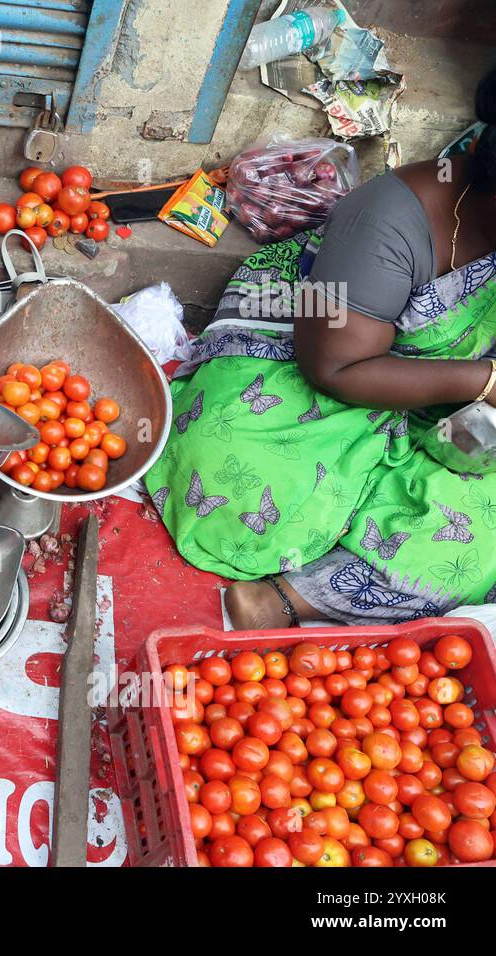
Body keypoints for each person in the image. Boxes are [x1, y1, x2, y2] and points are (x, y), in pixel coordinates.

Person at [144, 68, 496, 628]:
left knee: (471, 555)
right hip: (308, 354)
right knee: (244, 490)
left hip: (440, 401)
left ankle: (288, 598)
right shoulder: (390, 216)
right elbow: (334, 365)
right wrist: (483, 382)